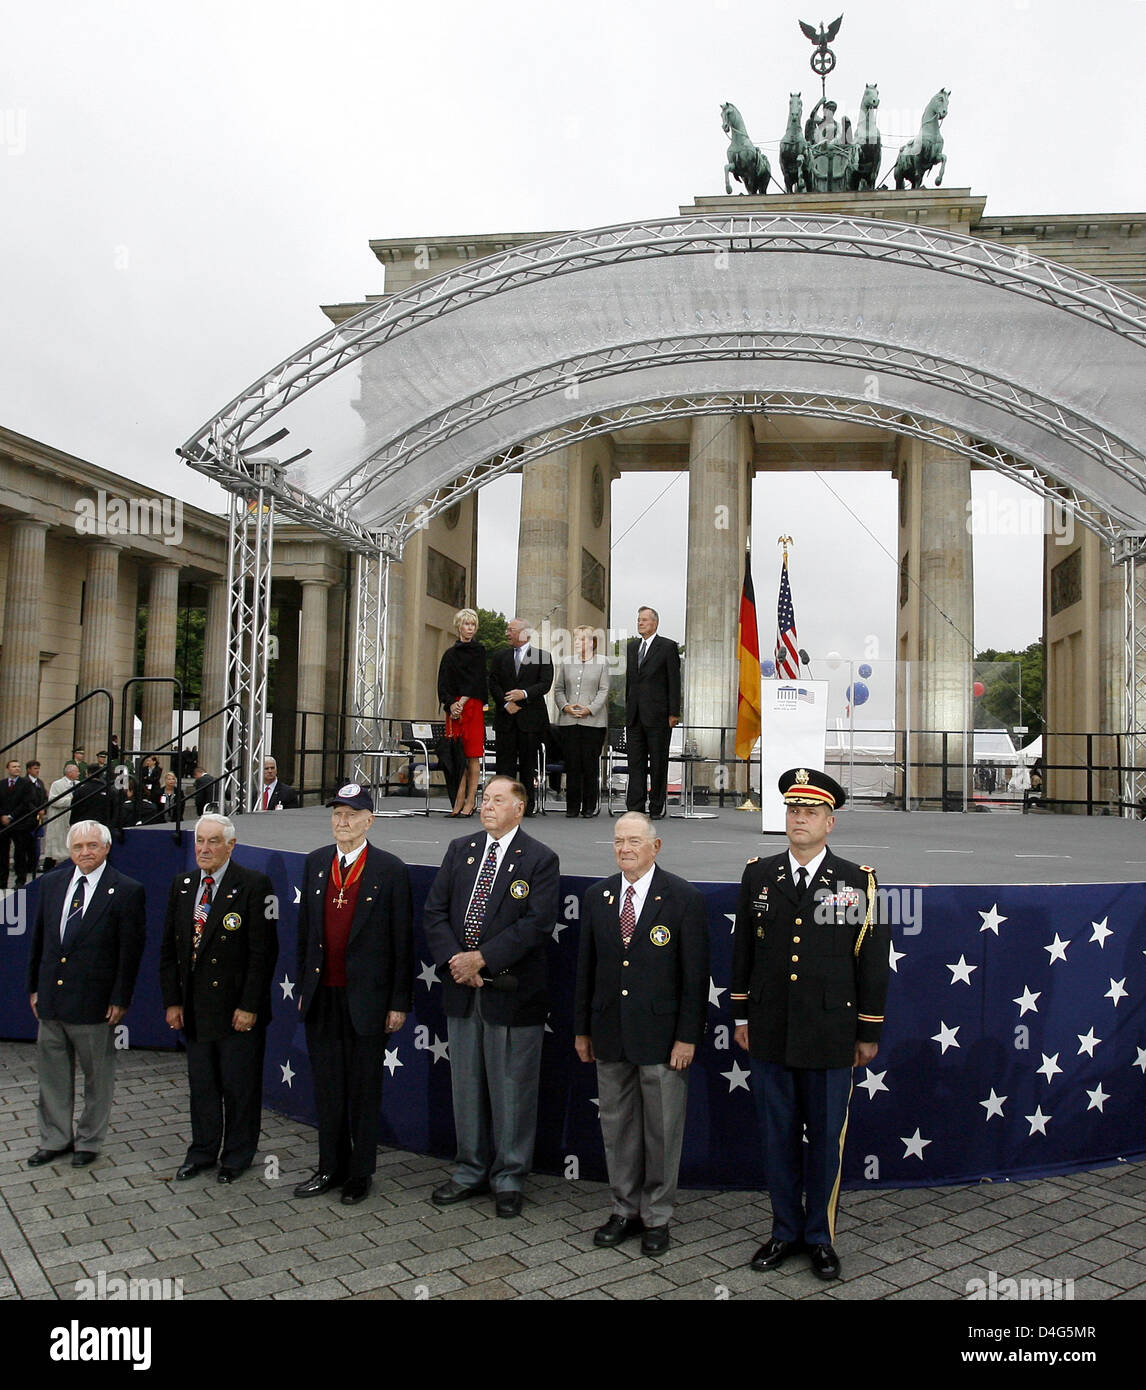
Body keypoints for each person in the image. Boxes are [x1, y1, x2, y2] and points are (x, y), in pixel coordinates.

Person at [731, 767, 889, 1281]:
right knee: (777, 1138)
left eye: (811, 811)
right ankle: (783, 1232)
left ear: (830, 822)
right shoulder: (758, 875)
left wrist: (867, 1031)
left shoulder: (855, 881)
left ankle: (819, 1238)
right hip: (771, 1029)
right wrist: (740, 1014)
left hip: (829, 1035)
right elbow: (743, 954)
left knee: (824, 1142)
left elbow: (869, 960)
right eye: (793, 810)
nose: (800, 818)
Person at [422, 776, 560, 1216]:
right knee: (466, 1086)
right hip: (462, 990)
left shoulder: (540, 859)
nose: (487, 805)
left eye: (498, 800)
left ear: (519, 809)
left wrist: (482, 959)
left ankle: (509, 1178)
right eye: (485, 798)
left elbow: (536, 924)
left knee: (511, 1089)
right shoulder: (459, 850)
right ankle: (469, 1170)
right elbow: (435, 912)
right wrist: (457, 962)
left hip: (510, 992)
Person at [574, 813, 709, 1254]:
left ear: (656, 846)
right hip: (609, 1033)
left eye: (634, 841)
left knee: (661, 1131)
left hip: (662, 1038)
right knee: (618, 1128)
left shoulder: (683, 898)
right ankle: (623, 1210)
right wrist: (582, 1030)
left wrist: (687, 1037)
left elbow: (695, 977)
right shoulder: (598, 896)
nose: (625, 849)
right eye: (618, 842)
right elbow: (586, 971)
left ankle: (657, 1217)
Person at [294, 783, 414, 1205]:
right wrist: (303, 989)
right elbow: (305, 934)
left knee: (364, 1088)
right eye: (337, 814)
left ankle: (359, 1173)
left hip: (368, 1000)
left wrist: (399, 1001)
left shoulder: (389, 869)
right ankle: (329, 1166)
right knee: (327, 1087)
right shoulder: (314, 864)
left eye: (351, 815)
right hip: (323, 995)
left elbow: (403, 941)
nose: (342, 822)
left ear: (369, 820)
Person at [159, 814, 279, 1183]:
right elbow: (170, 951)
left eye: (213, 841)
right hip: (195, 1009)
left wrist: (249, 1006)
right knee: (203, 1086)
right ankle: (202, 1151)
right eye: (200, 841)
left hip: (236, 1010)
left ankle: (237, 1155)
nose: (204, 848)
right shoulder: (182, 886)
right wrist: (173, 1002)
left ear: (231, 846)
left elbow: (263, 954)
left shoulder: (254, 885)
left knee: (238, 1086)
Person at [24, 820, 146, 1167]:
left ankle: (89, 1141)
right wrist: (34, 987)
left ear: (106, 848)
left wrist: (120, 997)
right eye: (78, 847)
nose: (85, 853)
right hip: (50, 998)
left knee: (98, 1077)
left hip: (95, 1003)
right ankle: (55, 1138)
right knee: (53, 1075)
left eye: (92, 846)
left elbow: (129, 951)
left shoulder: (125, 890)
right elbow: (40, 939)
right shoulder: (51, 883)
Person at [489, 619, 552, 817]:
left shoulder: (542, 657)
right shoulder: (500, 657)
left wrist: (523, 694)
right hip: (506, 719)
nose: (507, 633)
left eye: (511, 629)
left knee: (528, 765)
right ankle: (502, 804)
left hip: (531, 721)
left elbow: (545, 684)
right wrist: (506, 703)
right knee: (504, 766)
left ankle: (526, 805)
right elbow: (493, 683)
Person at [625, 606, 681, 820]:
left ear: (655, 623)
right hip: (634, 715)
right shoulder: (631, 648)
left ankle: (657, 805)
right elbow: (631, 681)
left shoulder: (667, 647)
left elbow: (674, 681)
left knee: (658, 762)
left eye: (645, 620)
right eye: (638, 619)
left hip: (658, 715)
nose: (640, 623)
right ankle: (635, 805)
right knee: (635, 762)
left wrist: (673, 712)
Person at [554, 626, 610, 818]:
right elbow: (559, 689)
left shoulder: (602, 662)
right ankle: (572, 806)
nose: (579, 643)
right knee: (572, 765)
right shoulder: (566, 662)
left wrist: (590, 709)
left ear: (592, 642)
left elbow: (604, 690)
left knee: (589, 764)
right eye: (577, 639)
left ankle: (589, 806)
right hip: (569, 721)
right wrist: (565, 707)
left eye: (583, 639)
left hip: (593, 723)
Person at [437, 608, 488, 818]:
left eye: (473, 625)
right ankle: (457, 800)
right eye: (467, 624)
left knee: (472, 755)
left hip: (472, 707)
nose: (470, 628)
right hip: (453, 709)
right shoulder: (449, 654)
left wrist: (463, 702)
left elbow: (477, 679)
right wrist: (451, 704)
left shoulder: (479, 651)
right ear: (459, 626)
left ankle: (470, 801)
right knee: (457, 755)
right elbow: (443, 683)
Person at [42, 763, 79, 872]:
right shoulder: (57, 784)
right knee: (54, 848)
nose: (79, 773)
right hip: (59, 820)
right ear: (70, 773)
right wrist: (72, 801)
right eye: (77, 771)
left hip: (72, 819)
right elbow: (54, 800)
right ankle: (47, 869)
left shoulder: (79, 784)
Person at [0, 759, 31, 887]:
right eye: (14, 766)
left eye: (18, 766)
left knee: (20, 853)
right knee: (2, 854)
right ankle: (2, 881)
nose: (17, 768)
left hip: (19, 823)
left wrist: (11, 816)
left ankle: (20, 880)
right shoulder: (1, 784)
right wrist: (2, 815)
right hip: (2, 824)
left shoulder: (26, 784)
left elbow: (26, 803)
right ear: (8, 769)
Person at [21, 759, 49, 880]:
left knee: (36, 843)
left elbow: (44, 797)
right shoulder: (24, 782)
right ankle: (25, 866)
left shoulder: (40, 783)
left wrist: (43, 808)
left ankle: (33, 864)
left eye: (38, 768)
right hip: (27, 818)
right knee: (24, 844)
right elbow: (25, 800)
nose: (37, 771)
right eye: (34, 768)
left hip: (38, 818)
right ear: (28, 770)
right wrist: (36, 810)